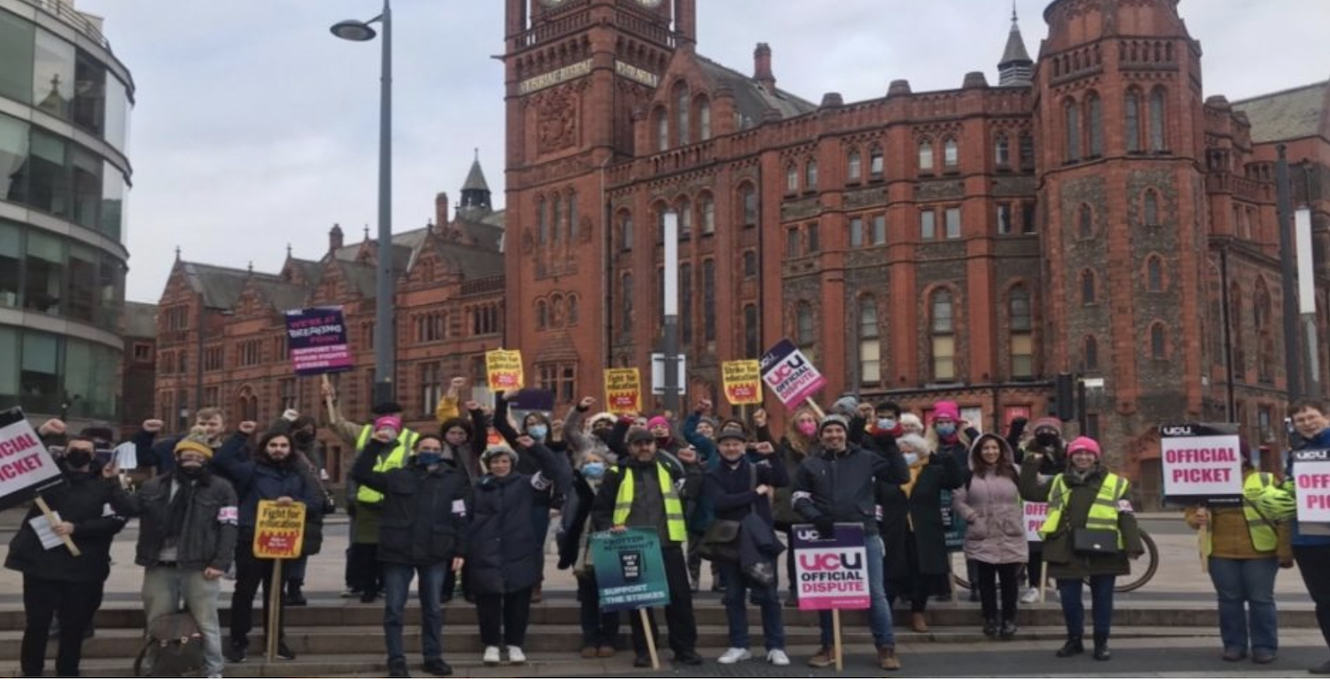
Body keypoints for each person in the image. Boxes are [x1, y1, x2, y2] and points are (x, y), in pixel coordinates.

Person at [103, 430, 239, 679]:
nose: (192, 459)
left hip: (200, 566)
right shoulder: (155, 485)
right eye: (186, 455)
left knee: (207, 622)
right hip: (159, 565)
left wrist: (221, 562)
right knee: (156, 622)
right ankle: (156, 667)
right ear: (177, 457)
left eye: (198, 456)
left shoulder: (221, 488)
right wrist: (113, 483)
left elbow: (229, 528)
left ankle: (213, 669)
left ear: (206, 459)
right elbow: (131, 507)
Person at [793, 414, 909, 671]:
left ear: (845, 434)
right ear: (821, 436)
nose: (834, 435)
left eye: (838, 430)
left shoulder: (866, 458)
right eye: (828, 431)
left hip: (863, 532)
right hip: (826, 534)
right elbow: (798, 497)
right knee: (826, 595)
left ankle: (886, 647)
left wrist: (890, 446)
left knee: (875, 594)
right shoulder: (810, 463)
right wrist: (816, 516)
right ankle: (829, 645)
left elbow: (899, 476)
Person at [354, 430, 471, 678]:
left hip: (435, 550)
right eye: (425, 448)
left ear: (441, 453)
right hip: (399, 550)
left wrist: (461, 549)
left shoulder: (453, 479)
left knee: (433, 609)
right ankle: (396, 659)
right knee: (395, 609)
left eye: (435, 449)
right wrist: (375, 445)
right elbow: (361, 473)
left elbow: (460, 516)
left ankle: (433, 657)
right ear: (416, 450)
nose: (430, 453)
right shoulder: (397, 476)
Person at [6, 434, 126, 677]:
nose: (79, 453)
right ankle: (31, 671)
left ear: (93, 456)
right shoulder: (45, 480)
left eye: (85, 450)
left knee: (74, 627)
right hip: (40, 565)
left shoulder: (104, 485)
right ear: (63, 453)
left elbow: (118, 519)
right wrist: (43, 432)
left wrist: (77, 528)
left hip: (82, 568)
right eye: (74, 449)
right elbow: (19, 457)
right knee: (37, 624)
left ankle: (68, 671)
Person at [1020, 436, 1143, 661]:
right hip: (1066, 547)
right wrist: (1031, 461)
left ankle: (1101, 641)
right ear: (1071, 457)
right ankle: (1074, 639)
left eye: (1088, 453)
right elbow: (1029, 492)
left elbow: (1126, 515)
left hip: (1105, 548)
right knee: (1068, 597)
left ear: (1096, 457)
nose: (1083, 457)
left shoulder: (1116, 483)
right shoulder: (1058, 481)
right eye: (1078, 453)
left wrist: (1133, 545)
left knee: (1103, 597)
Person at [593, 426, 704, 668]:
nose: (644, 447)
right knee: (639, 602)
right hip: (633, 544)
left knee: (680, 600)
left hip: (668, 543)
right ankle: (645, 650)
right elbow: (600, 510)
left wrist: (694, 466)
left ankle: (685, 649)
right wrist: (610, 527)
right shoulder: (615, 472)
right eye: (638, 443)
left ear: (655, 445)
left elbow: (691, 492)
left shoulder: (669, 468)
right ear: (630, 447)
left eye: (648, 443)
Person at [213, 423, 322, 663]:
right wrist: (241, 434)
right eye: (273, 445)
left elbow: (316, 504)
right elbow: (221, 461)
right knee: (245, 591)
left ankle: (275, 639)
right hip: (251, 538)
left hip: (283, 541)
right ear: (265, 448)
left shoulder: (299, 474)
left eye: (283, 445)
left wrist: (295, 503)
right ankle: (239, 640)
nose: (278, 449)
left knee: (277, 594)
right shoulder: (251, 469)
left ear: (290, 449)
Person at [467, 435, 572, 666]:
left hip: (519, 550)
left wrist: (535, 447)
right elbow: (469, 517)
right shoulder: (479, 487)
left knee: (518, 602)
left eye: (504, 461)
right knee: (488, 603)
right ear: (488, 464)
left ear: (512, 463)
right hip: (486, 551)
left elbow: (552, 469)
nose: (499, 465)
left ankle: (515, 644)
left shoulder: (528, 483)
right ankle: (491, 644)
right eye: (495, 462)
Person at [1184, 453, 1294, 664]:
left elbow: (1283, 514)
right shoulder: (1207, 481)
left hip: (1261, 552)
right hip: (1219, 552)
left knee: (1261, 599)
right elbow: (1190, 513)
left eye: (1236, 454)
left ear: (1244, 458)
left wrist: (1285, 550)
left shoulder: (1265, 479)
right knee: (1228, 601)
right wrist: (1195, 518)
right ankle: (1234, 645)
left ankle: (1264, 646)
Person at [324, 381, 420, 602]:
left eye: (393, 414)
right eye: (382, 415)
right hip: (364, 503)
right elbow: (336, 423)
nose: (388, 418)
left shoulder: (411, 439)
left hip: (395, 503)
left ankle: (385, 584)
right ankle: (356, 583)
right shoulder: (364, 432)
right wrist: (332, 400)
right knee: (358, 548)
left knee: (391, 546)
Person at [702, 427, 790, 666]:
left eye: (736, 444)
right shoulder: (711, 473)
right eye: (726, 444)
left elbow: (783, 480)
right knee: (733, 595)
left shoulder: (758, 468)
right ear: (719, 448)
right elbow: (721, 503)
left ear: (743, 447)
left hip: (759, 541)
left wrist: (772, 455)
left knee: (769, 595)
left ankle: (776, 646)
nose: (731, 448)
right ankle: (739, 645)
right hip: (730, 542)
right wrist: (754, 494)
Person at [878, 433, 963, 633]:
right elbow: (876, 499)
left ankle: (918, 612)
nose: (906, 455)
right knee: (892, 571)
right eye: (902, 452)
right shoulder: (886, 474)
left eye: (911, 452)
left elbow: (955, 480)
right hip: (894, 530)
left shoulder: (933, 471)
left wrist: (947, 456)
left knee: (921, 573)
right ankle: (884, 613)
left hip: (924, 531)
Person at [558, 397, 621, 659]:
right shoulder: (584, 447)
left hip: (609, 536)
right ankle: (590, 638)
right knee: (587, 595)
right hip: (583, 538)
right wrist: (581, 410)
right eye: (599, 423)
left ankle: (608, 638)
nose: (603, 427)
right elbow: (569, 431)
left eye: (608, 424)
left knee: (612, 593)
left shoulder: (618, 456)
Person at [953, 433, 1028, 639]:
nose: (991, 452)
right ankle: (990, 619)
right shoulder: (968, 475)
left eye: (994, 448)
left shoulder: (1014, 471)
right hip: (982, 532)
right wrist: (972, 516)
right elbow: (958, 500)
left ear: (1001, 450)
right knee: (985, 581)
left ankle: (1009, 620)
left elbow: (1033, 488)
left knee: (1010, 581)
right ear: (978, 451)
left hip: (1009, 531)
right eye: (986, 448)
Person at [266, 409, 331, 607]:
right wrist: (284, 420)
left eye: (311, 429)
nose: (307, 432)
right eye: (302, 428)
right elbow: (272, 437)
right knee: (281, 550)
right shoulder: (287, 449)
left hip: (308, 508)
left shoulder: (313, 449)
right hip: (285, 506)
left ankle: (295, 587)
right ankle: (280, 587)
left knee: (301, 552)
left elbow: (318, 477)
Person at [754, 405, 818, 606]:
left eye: (810, 420)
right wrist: (762, 426)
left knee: (818, 551)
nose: (807, 424)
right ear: (795, 425)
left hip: (819, 505)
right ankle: (796, 589)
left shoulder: (823, 445)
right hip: (793, 507)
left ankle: (816, 588)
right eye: (803, 420)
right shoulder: (786, 446)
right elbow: (768, 446)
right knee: (796, 549)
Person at [1285, 400, 1330, 674]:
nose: (1306, 423)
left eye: (1311, 417)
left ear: (1326, 417)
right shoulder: (1297, 452)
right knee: (1324, 601)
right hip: (1307, 540)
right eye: (1300, 420)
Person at [1015, 417, 1067, 603]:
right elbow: (1013, 456)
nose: (1047, 434)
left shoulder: (1065, 451)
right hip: (1033, 508)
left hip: (1058, 505)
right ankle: (1035, 586)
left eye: (1051, 431)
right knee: (1034, 549)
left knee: (1059, 546)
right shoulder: (1028, 452)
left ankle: (1062, 585)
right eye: (1042, 431)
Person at [131, 408, 228, 476]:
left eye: (213, 424)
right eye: (202, 424)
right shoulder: (169, 447)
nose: (206, 428)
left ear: (223, 427)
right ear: (193, 425)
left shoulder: (228, 454)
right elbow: (142, 459)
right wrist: (145, 434)